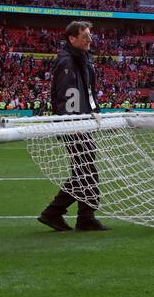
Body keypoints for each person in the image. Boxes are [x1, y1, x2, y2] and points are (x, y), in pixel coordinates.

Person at [36, 20, 109, 232]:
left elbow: (87, 91)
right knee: (85, 172)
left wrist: (94, 112)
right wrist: (74, 122)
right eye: (85, 36)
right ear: (72, 38)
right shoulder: (68, 61)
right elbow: (69, 96)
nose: (89, 40)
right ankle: (58, 213)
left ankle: (81, 216)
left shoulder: (82, 59)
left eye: (90, 36)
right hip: (74, 124)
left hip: (83, 121)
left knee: (85, 172)